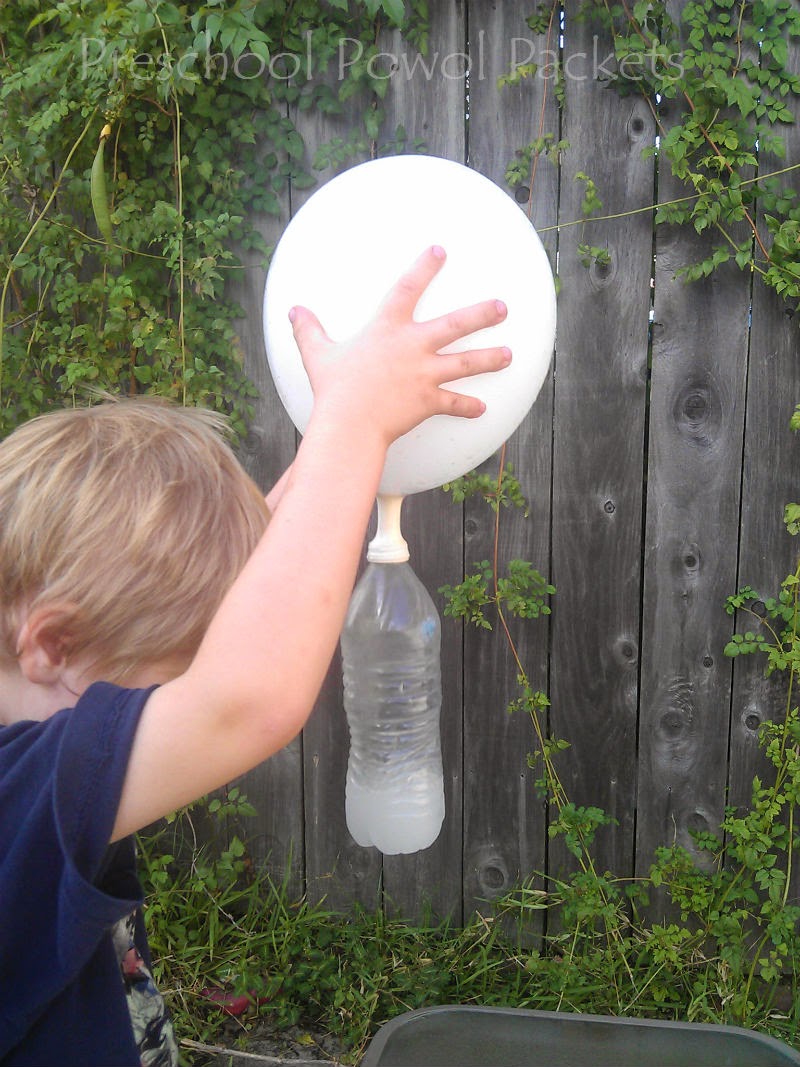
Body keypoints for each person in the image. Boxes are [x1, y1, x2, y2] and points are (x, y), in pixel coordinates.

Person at [0, 246, 510, 1065]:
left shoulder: (35, 748)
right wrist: (356, 420)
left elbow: (258, 599)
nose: (186, 693)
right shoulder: (17, 793)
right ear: (52, 642)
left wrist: (335, 445)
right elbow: (248, 697)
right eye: (176, 673)